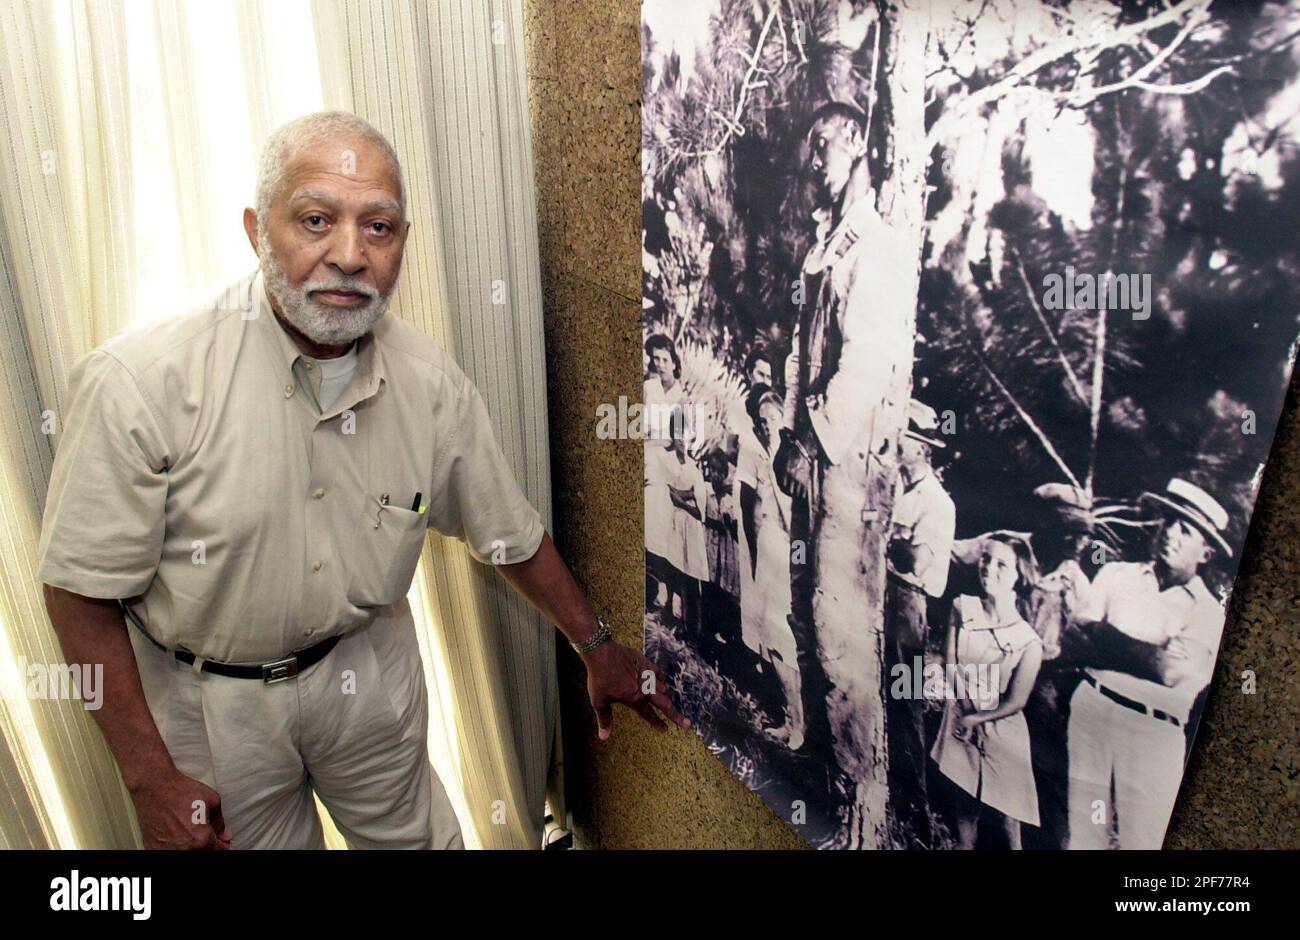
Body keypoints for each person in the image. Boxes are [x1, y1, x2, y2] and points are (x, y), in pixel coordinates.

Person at [37, 112, 687, 851]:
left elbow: (506, 530)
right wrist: (149, 778)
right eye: (316, 219)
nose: (349, 255)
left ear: (402, 243)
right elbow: (79, 589)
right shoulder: (139, 383)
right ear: (257, 230)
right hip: (208, 710)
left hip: (365, 674)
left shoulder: (427, 380)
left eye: (378, 228)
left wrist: (597, 646)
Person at [773, 101, 916, 820]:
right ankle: (822, 766)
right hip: (807, 453)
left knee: (840, 626)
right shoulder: (824, 246)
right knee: (805, 611)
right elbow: (803, 353)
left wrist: (813, 442)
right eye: (813, 151)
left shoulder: (877, 244)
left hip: (847, 462)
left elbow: (865, 364)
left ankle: (864, 794)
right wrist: (784, 431)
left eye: (825, 146)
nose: (816, 165)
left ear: (856, 141)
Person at [1059, 478, 1231, 850]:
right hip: (1092, 710)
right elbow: (1072, 640)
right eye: (1168, 522)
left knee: (1144, 841)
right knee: (1085, 836)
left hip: (1152, 733)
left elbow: (1167, 671)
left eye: (1186, 531)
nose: (1171, 534)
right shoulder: (1117, 575)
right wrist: (1148, 652)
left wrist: (1101, 633)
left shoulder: (1206, 613)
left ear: (1206, 554)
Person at [931, 534, 1044, 850]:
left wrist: (979, 719)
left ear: (1018, 576)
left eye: (1002, 564)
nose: (989, 569)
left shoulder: (1029, 641)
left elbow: (1016, 701)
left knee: (1009, 817)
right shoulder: (961, 606)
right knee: (964, 803)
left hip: (1001, 726)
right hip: (961, 715)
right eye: (986, 559)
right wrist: (966, 713)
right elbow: (950, 660)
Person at [883, 399, 956, 847]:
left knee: (904, 699)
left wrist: (891, 539)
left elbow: (916, 558)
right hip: (882, 592)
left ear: (922, 449)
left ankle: (916, 805)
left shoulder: (938, 502)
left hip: (909, 605)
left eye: (905, 439)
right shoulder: (894, 488)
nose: (898, 444)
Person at [1021, 482, 1095, 850]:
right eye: (1070, 531)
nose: (1079, 542)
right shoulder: (1011, 549)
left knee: (1046, 766)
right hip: (998, 669)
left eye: (1083, 534)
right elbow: (954, 554)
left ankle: (1051, 841)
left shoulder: (1076, 583)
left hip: (1045, 683)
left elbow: (1083, 645)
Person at [737, 385, 802, 749]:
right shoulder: (758, 454)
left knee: (785, 639)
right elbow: (753, 511)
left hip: (786, 553)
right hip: (768, 549)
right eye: (761, 422)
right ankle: (789, 717)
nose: (767, 428)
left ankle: (799, 725)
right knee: (772, 638)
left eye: (773, 420)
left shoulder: (791, 460)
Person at [649, 408, 710, 636]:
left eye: (685, 434)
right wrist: (686, 494)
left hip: (691, 529)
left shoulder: (694, 468)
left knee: (691, 579)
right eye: (677, 434)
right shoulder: (665, 460)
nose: (681, 439)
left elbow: (699, 510)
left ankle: (694, 630)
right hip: (673, 525)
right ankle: (672, 618)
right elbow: (666, 490)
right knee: (673, 572)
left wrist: (682, 499)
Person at [644, 333, 684, 617]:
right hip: (647, 457)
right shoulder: (648, 388)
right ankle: (652, 588)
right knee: (648, 523)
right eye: (655, 358)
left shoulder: (680, 396)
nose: (660, 364)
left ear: (673, 361)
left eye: (665, 359)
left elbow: (677, 440)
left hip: (666, 462)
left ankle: (668, 592)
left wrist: (655, 443)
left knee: (663, 525)